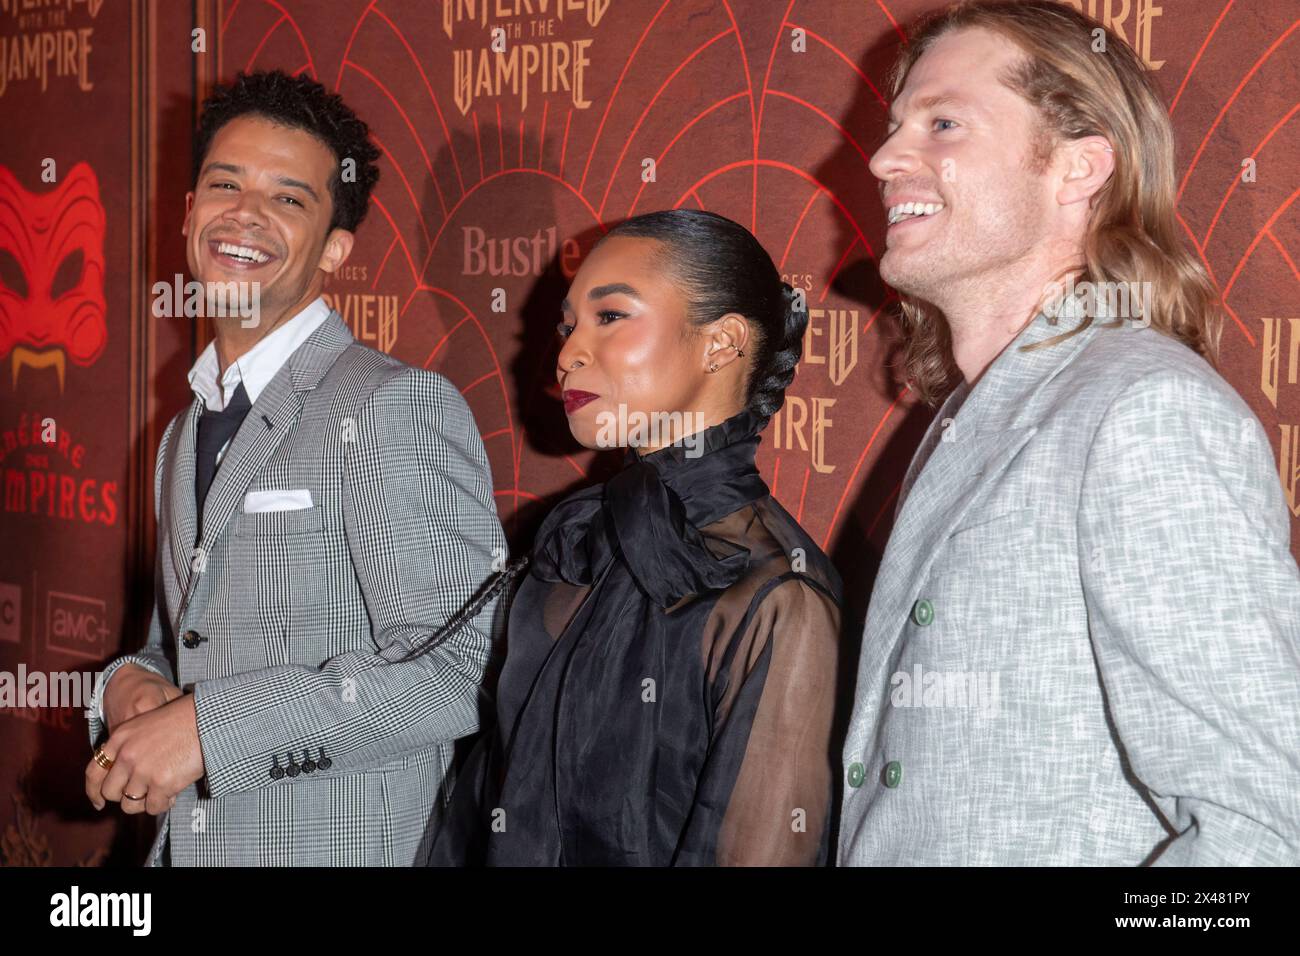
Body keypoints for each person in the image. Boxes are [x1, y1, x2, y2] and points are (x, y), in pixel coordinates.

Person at [838, 0, 1300, 865]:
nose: (884, 157)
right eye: (896, 126)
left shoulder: (1144, 413)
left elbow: (1267, 834)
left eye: (943, 123)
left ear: (1081, 168)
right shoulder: (972, 417)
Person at [83, 70, 508, 866]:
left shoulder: (393, 405)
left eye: (288, 199)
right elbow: (181, 646)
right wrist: (130, 687)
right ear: (187, 215)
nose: (244, 212)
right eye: (224, 183)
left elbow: (457, 670)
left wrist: (208, 731)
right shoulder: (181, 433)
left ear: (334, 249)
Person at [427, 208, 844, 866]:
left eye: (610, 316)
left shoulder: (775, 596)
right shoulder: (573, 545)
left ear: (722, 342)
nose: (565, 354)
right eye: (567, 327)